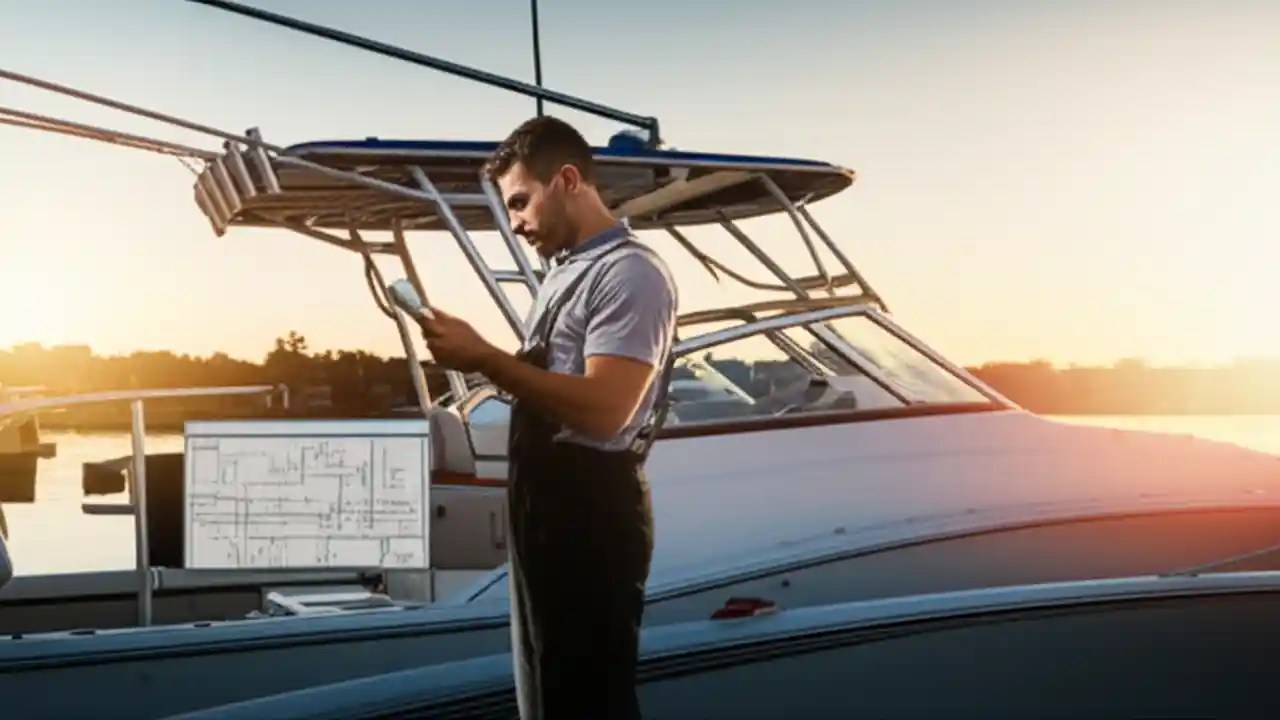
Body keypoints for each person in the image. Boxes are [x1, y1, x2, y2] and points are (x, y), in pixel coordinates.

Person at [416, 115, 678, 719]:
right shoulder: (567, 271)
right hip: (548, 510)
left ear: (566, 180)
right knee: (548, 694)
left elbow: (607, 410)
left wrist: (481, 356)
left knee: (589, 700)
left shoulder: (629, 273)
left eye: (520, 202)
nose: (515, 224)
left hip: (590, 513)